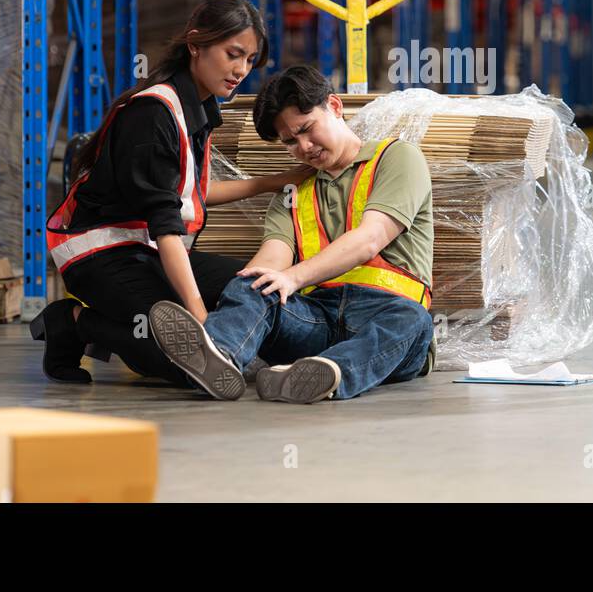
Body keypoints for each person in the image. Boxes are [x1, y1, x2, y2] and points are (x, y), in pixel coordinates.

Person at [31, 0, 310, 385]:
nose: (241, 69)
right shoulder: (153, 114)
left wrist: (271, 182)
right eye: (233, 54)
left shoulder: (197, 108)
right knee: (183, 359)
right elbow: (166, 225)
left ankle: (179, 334)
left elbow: (187, 194)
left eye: (249, 60)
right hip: (99, 256)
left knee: (254, 288)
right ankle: (73, 322)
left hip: (146, 251)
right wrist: (202, 324)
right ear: (195, 44)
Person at [148, 64, 435, 404]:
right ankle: (217, 356)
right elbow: (273, 256)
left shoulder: (397, 158)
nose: (305, 146)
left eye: (307, 129)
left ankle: (326, 373)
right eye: (291, 142)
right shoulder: (294, 191)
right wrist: (248, 291)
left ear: (335, 106)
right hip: (316, 320)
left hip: (386, 319)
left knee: (413, 320)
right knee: (253, 281)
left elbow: (370, 239)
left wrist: (293, 278)